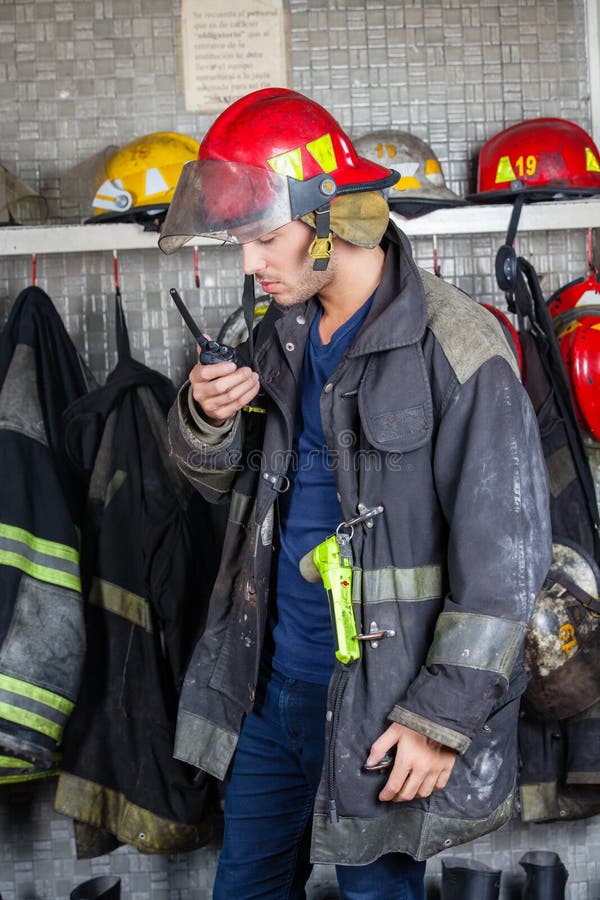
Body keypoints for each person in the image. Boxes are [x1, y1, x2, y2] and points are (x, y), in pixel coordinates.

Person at [159, 88, 552, 900]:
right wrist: (205, 416)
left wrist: (440, 721)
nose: (249, 263)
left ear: (336, 221)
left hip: (386, 710)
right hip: (270, 695)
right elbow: (210, 491)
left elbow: (507, 566)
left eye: (266, 237)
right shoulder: (277, 334)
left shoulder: (462, 350)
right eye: (241, 240)